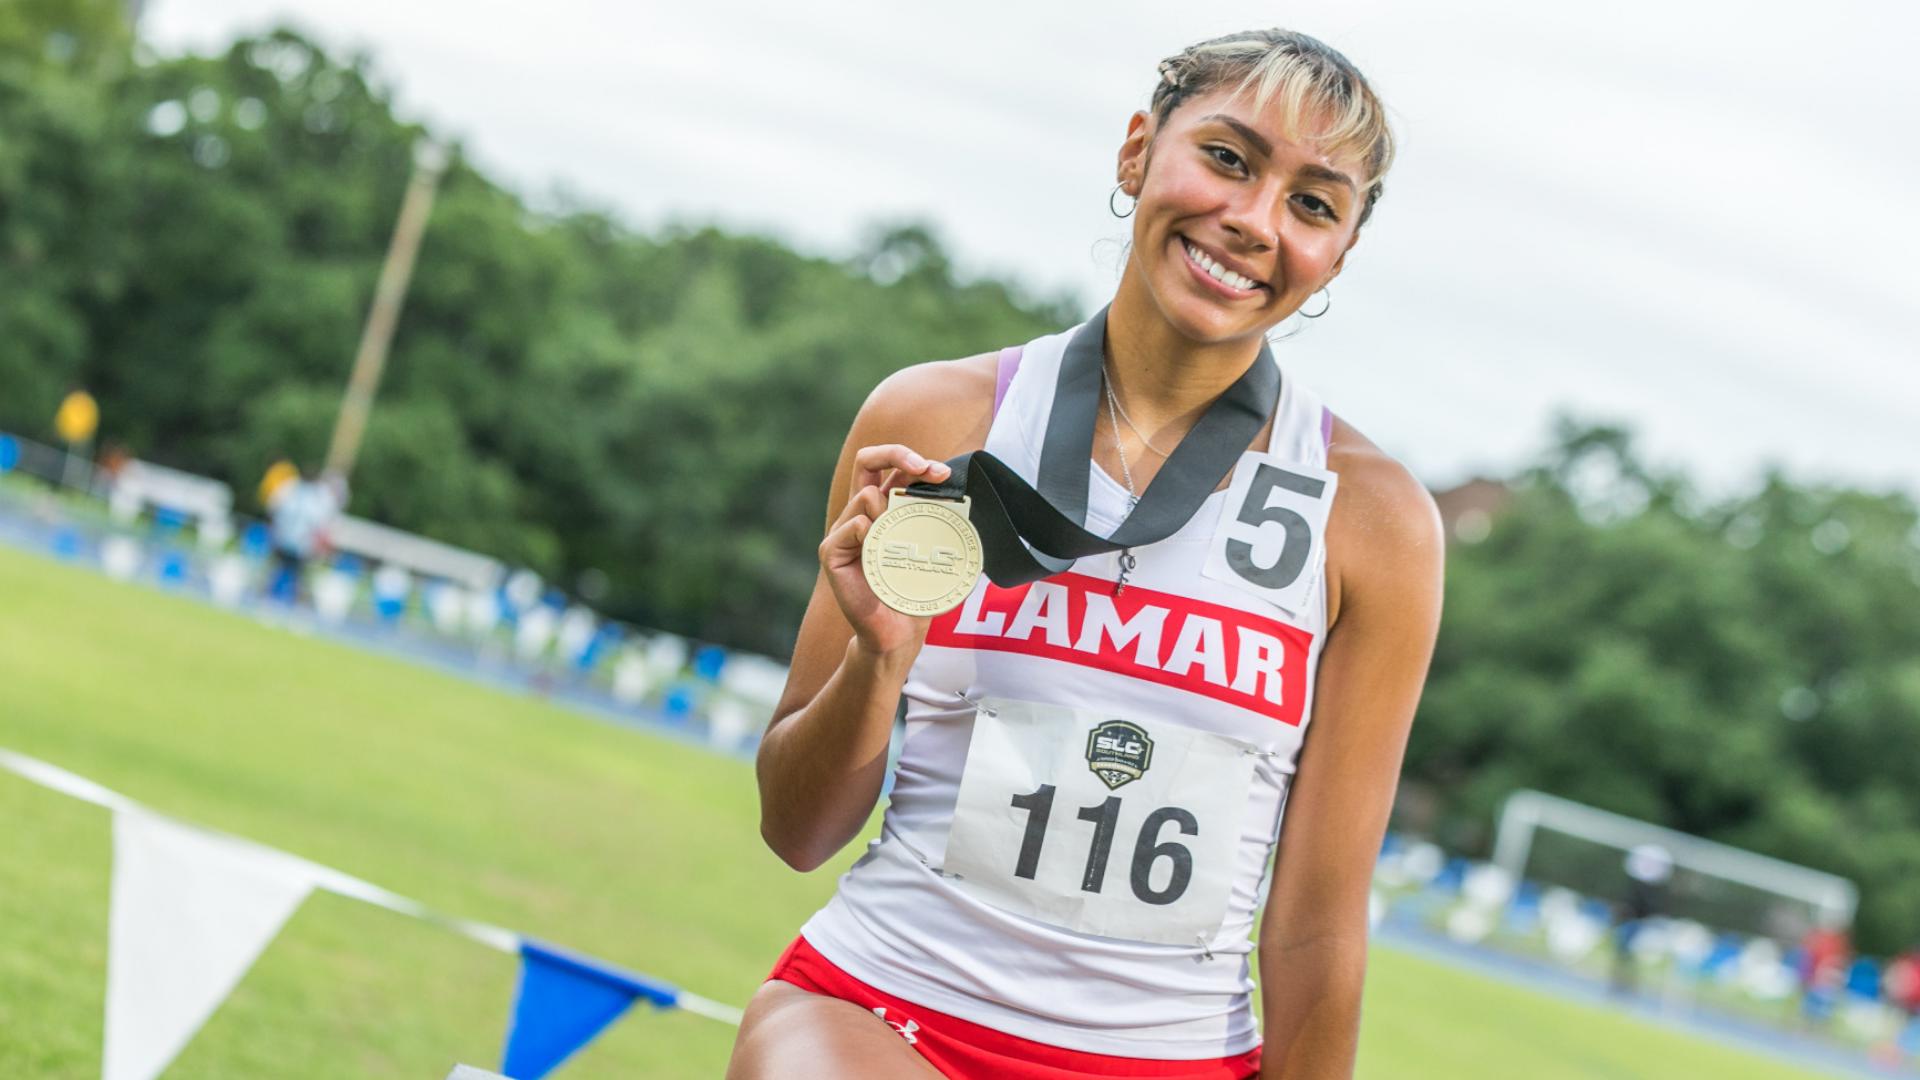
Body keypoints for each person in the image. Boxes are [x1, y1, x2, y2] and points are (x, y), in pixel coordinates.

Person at [729, 29, 1443, 1080]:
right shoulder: (935, 419)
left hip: (1174, 1055)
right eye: (1228, 158)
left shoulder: (1375, 520)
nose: (1254, 221)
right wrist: (877, 662)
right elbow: (797, 829)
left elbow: (1318, 920)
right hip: (888, 1010)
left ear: (1338, 253)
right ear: (1137, 152)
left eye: (1312, 204)